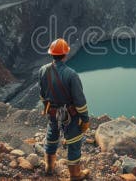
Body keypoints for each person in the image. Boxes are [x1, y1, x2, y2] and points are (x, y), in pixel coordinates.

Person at [37, 38, 90, 180]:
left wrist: (48, 109)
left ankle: (49, 168)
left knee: (51, 138)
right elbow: (80, 102)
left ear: (51, 54)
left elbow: (42, 95)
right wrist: (85, 119)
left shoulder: (43, 71)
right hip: (70, 117)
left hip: (53, 114)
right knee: (73, 144)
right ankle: (75, 175)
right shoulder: (71, 74)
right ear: (65, 54)